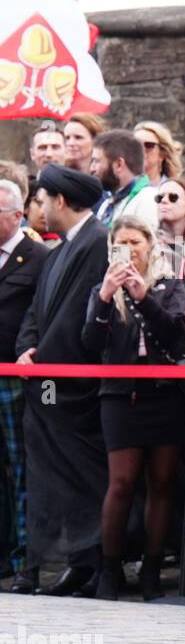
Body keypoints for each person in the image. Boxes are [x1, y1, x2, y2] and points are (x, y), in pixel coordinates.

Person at [82, 216, 185, 600]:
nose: (129, 249)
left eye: (135, 241)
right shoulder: (103, 288)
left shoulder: (169, 285)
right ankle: (110, 571)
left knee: (162, 482)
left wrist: (143, 296)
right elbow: (91, 342)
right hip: (119, 396)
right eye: (121, 242)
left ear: (149, 244)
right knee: (122, 483)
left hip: (163, 394)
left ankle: (151, 569)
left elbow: (177, 335)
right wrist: (104, 297)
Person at [15, 165, 111, 596]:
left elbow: (77, 315)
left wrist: (46, 359)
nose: (37, 208)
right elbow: (36, 312)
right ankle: (73, 560)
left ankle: (91, 560)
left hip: (72, 388)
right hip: (46, 380)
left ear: (60, 200)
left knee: (82, 477)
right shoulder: (57, 250)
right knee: (56, 478)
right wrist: (28, 347)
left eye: (40, 199)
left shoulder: (97, 242)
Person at [0, 180, 48, 592]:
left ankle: (24, 561)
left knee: (19, 470)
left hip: (13, 379)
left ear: (17, 215)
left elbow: (39, 317)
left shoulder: (36, 256)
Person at [91, 130, 159, 230]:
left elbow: (144, 245)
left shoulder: (148, 200)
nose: (92, 168)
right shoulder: (107, 205)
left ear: (119, 164)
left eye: (97, 161)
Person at [133, 122, 183, 186]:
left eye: (149, 145)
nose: (141, 150)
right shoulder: (121, 190)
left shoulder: (174, 189)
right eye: (136, 145)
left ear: (162, 153)